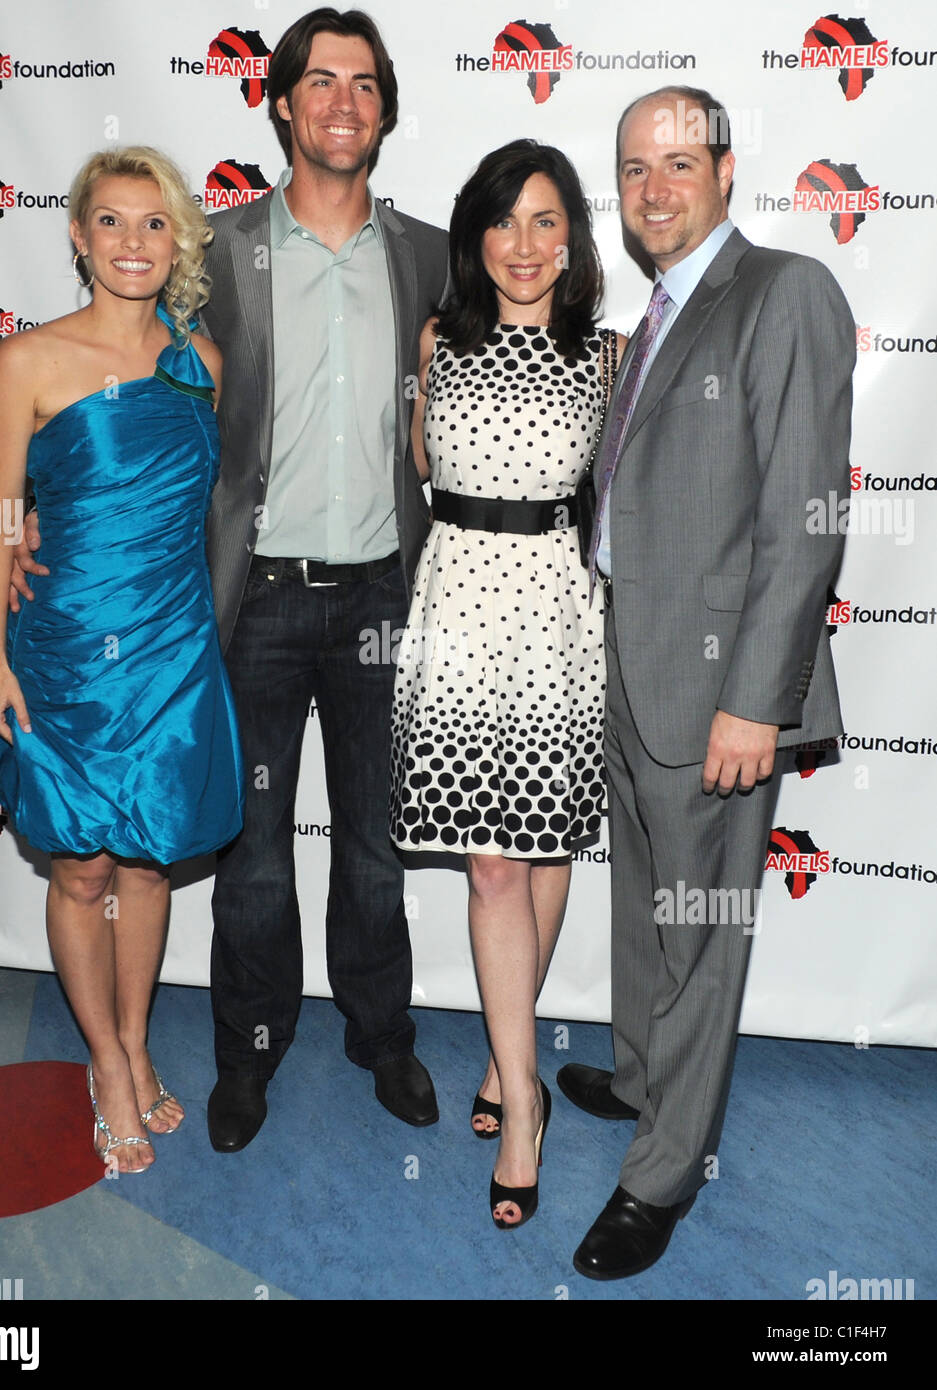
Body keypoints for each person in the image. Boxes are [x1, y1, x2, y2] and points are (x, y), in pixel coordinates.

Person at [557, 86, 855, 1277]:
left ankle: (663, 1170)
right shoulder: (659, 313)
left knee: (704, 926)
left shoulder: (784, 291)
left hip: (718, 686)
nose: (654, 188)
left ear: (726, 170)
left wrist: (755, 699)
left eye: (678, 163)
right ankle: (639, 1075)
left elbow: (803, 520)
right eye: (633, 169)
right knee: (645, 903)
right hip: (630, 657)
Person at [199, 8, 449, 1150]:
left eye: (362, 84)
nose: (341, 102)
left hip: (385, 593)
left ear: (383, 110)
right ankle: (249, 1051)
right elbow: (137, 395)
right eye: (318, 81)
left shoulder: (431, 255)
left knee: (374, 842)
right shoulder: (214, 252)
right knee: (249, 850)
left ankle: (380, 1033)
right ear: (282, 103)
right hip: (253, 600)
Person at [0, 147, 244, 1173]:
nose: (132, 242)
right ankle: (102, 1059)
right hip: (64, 654)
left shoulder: (203, 364)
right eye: (112, 222)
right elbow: (2, 516)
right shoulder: (29, 361)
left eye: (153, 223)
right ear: (81, 236)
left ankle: (135, 1043)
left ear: (178, 239)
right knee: (82, 865)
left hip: (171, 646)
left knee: (147, 861)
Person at [390, 141, 624, 1228]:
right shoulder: (438, 338)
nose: (522, 246)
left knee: (535, 847)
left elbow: (620, 504)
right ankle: (521, 1087)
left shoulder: (607, 355)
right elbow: (420, 464)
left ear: (570, 237)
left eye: (545, 222)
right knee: (489, 864)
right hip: (453, 607)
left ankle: (506, 1073)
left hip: (550, 611)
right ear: (473, 232)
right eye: (502, 221)